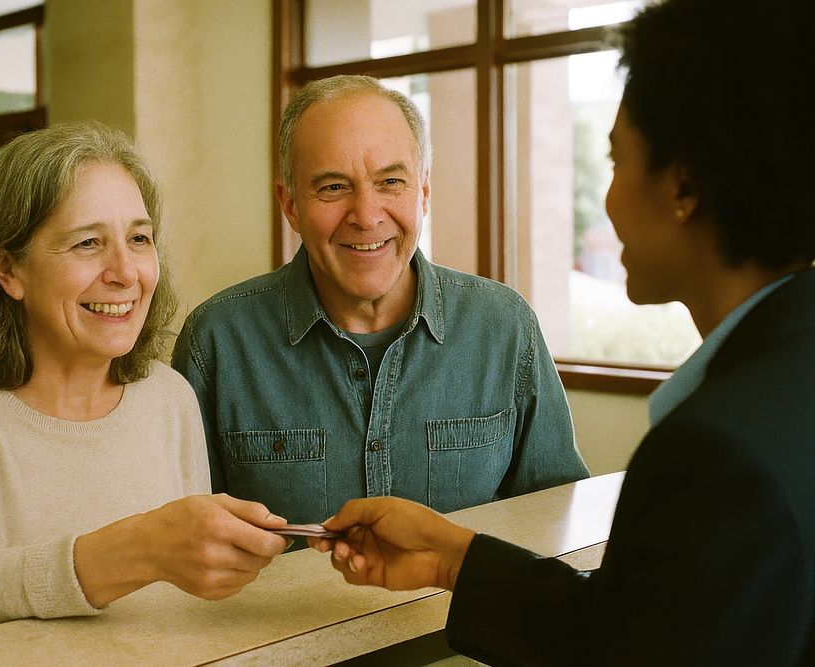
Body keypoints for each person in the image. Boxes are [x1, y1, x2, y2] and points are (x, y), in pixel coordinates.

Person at [312, 0, 815, 664]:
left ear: (682, 185)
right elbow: (641, 624)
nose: (605, 198)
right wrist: (453, 556)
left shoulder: (717, 455)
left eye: (615, 161)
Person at [0, 122, 290, 652]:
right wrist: (138, 549)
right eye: (88, 243)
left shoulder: (168, 395)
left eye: (139, 239)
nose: (125, 271)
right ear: (8, 268)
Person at [171, 75, 588, 527]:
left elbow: (554, 520)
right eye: (333, 187)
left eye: (390, 181)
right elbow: (182, 540)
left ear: (423, 192)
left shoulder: (505, 328)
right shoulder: (215, 343)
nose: (367, 217)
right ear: (290, 203)